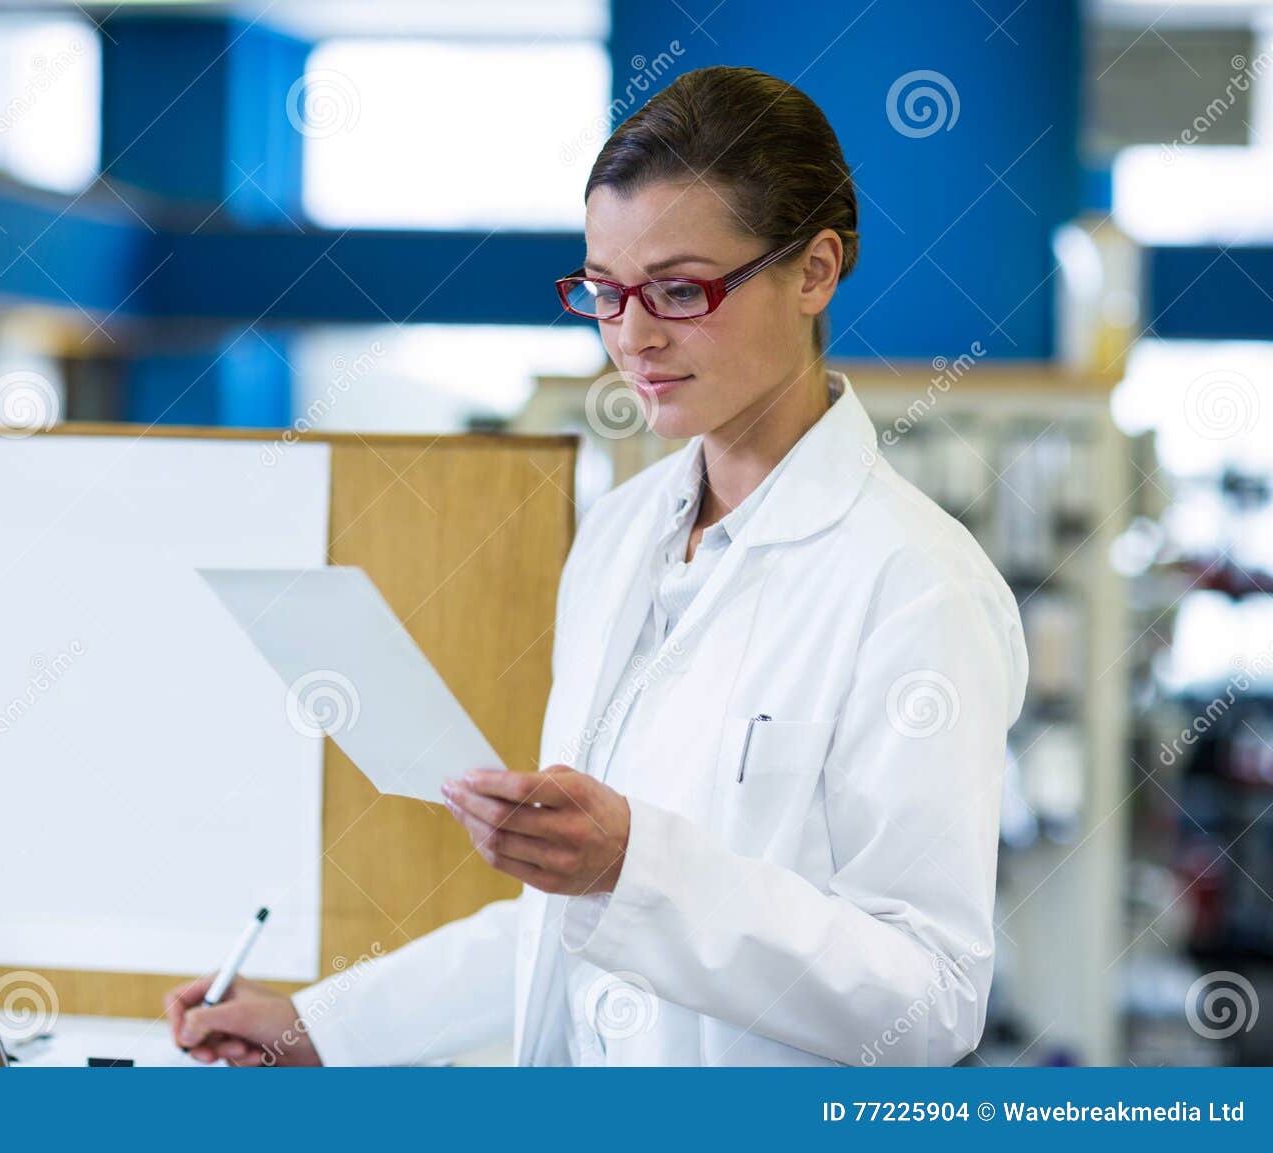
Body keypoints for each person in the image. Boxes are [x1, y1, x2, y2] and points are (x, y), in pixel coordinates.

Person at [165, 64, 1027, 1067]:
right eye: (605, 291)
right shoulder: (620, 537)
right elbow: (559, 927)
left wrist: (636, 867)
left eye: (677, 288)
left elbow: (928, 1002)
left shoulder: (915, 583)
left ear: (814, 269)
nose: (632, 335)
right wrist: (327, 1024)